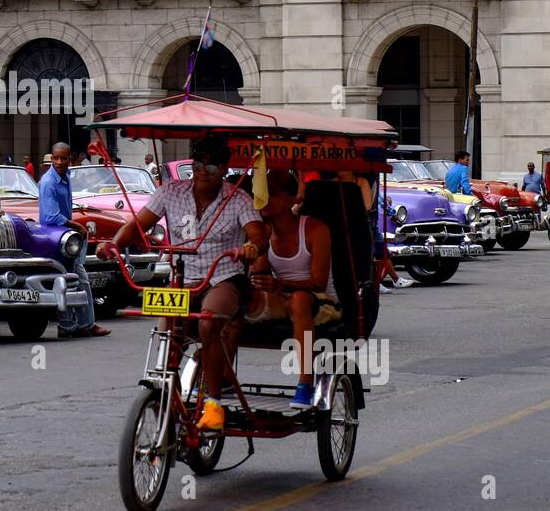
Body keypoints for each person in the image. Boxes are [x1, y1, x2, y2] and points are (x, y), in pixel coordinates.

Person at [99, 137, 266, 428]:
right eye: (198, 163)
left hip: (223, 277)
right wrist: (113, 244)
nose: (203, 170)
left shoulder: (237, 198)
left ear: (224, 167)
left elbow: (258, 235)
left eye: (211, 165)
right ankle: (168, 390)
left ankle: (214, 404)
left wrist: (250, 246)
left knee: (207, 322)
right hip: (183, 278)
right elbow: (138, 225)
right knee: (168, 331)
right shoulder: (170, 192)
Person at [244, 170, 335, 409]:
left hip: (320, 301)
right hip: (283, 296)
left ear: (292, 198)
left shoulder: (315, 228)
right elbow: (259, 274)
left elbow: (319, 282)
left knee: (299, 300)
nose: (263, 200)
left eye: (271, 194)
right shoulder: (263, 231)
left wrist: (279, 284)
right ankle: (218, 376)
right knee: (235, 297)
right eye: (260, 195)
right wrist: (258, 245)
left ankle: (305, 382)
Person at [39, 142, 108, 340]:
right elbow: (52, 217)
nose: (59, 162)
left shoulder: (65, 176)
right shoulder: (48, 182)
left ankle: (70, 325)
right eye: (55, 158)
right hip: (56, 238)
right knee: (77, 279)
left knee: (67, 280)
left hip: (66, 239)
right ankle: (83, 324)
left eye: (63, 158)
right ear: (51, 158)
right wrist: (76, 225)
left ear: (71, 159)